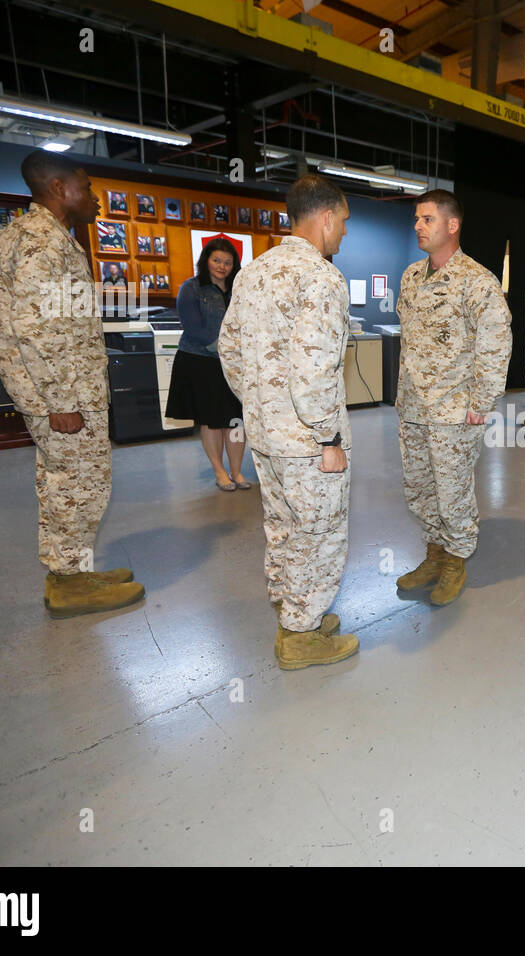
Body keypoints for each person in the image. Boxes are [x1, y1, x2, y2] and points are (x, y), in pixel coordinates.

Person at [0, 151, 144, 618]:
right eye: (88, 187)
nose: (94, 198)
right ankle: (69, 584)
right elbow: (39, 330)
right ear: (59, 188)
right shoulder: (43, 243)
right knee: (76, 485)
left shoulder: (37, 236)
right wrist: (61, 401)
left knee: (69, 484)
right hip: (63, 392)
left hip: (63, 386)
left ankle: (72, 571)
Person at [218, 175, 358, 669]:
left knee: (282, 526)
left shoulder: (252, 272)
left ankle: (294, 612)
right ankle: (301, 636)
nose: (343, 232)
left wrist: (260, 404)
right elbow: (314, 368)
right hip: (307, 442)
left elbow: (229, 349)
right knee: (318, 532)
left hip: (265, 436)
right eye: (342, 222)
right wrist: (329, 437)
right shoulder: (321, 277)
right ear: (324, 218)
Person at [392, 190, 512, 606]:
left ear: (452, 225)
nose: (418, 227)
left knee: (452, 491)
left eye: (427, 219)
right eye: (417, 219)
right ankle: (434, 555)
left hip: (454, 412)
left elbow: (495, 347)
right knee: (419, 488)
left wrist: (481, 405)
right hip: (412, 407)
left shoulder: (477, 281)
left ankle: (456, 561)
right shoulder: (410, 276)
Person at [166, 238, 249, 491]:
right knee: (212, 420)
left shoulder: (240, 289)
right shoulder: (191, 288)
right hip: (201, 362)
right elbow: (192, 327)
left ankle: (236, 471)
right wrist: (223, 348)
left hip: (234, 365)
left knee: (236, 421)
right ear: (206, 261)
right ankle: (219, 471)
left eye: (227, 262)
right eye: (216, 260)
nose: (222, 266)